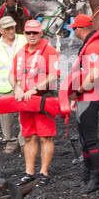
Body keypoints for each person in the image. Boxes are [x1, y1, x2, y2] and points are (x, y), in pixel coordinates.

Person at [60, 13, 99, 194]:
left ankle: (95, 179)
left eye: (74, 29)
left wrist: (78, 90)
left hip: (90, 97)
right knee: (84, 138)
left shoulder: (94, 46)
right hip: (86, 97)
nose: (74, 33)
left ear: (81, 29)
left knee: (90, 139)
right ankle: (88, 175)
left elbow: (94, 75)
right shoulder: (94, 44)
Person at [12, 18, 61, 184]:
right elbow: (12, 75)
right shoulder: (21, 52)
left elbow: (55, 74)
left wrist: (36, 88)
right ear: (24, 34)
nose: (31, 35)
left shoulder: (50, 51)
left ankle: (44, 172)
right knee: (28, 136)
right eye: (28, 32)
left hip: (43, 99)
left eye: (35, 32)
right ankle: (29, 172)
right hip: (25, 100)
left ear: (41, 33)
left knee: (45, 136)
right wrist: (17, 87)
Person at [0, 15, 26, 154]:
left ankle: (24, 140)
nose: (11, 30)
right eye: (8, 28)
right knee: (5, 116)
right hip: (4, 87)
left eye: (13, 27)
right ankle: (10, 141)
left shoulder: (23, 39)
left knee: (25, 113)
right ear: (1, 30)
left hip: (23, 85)